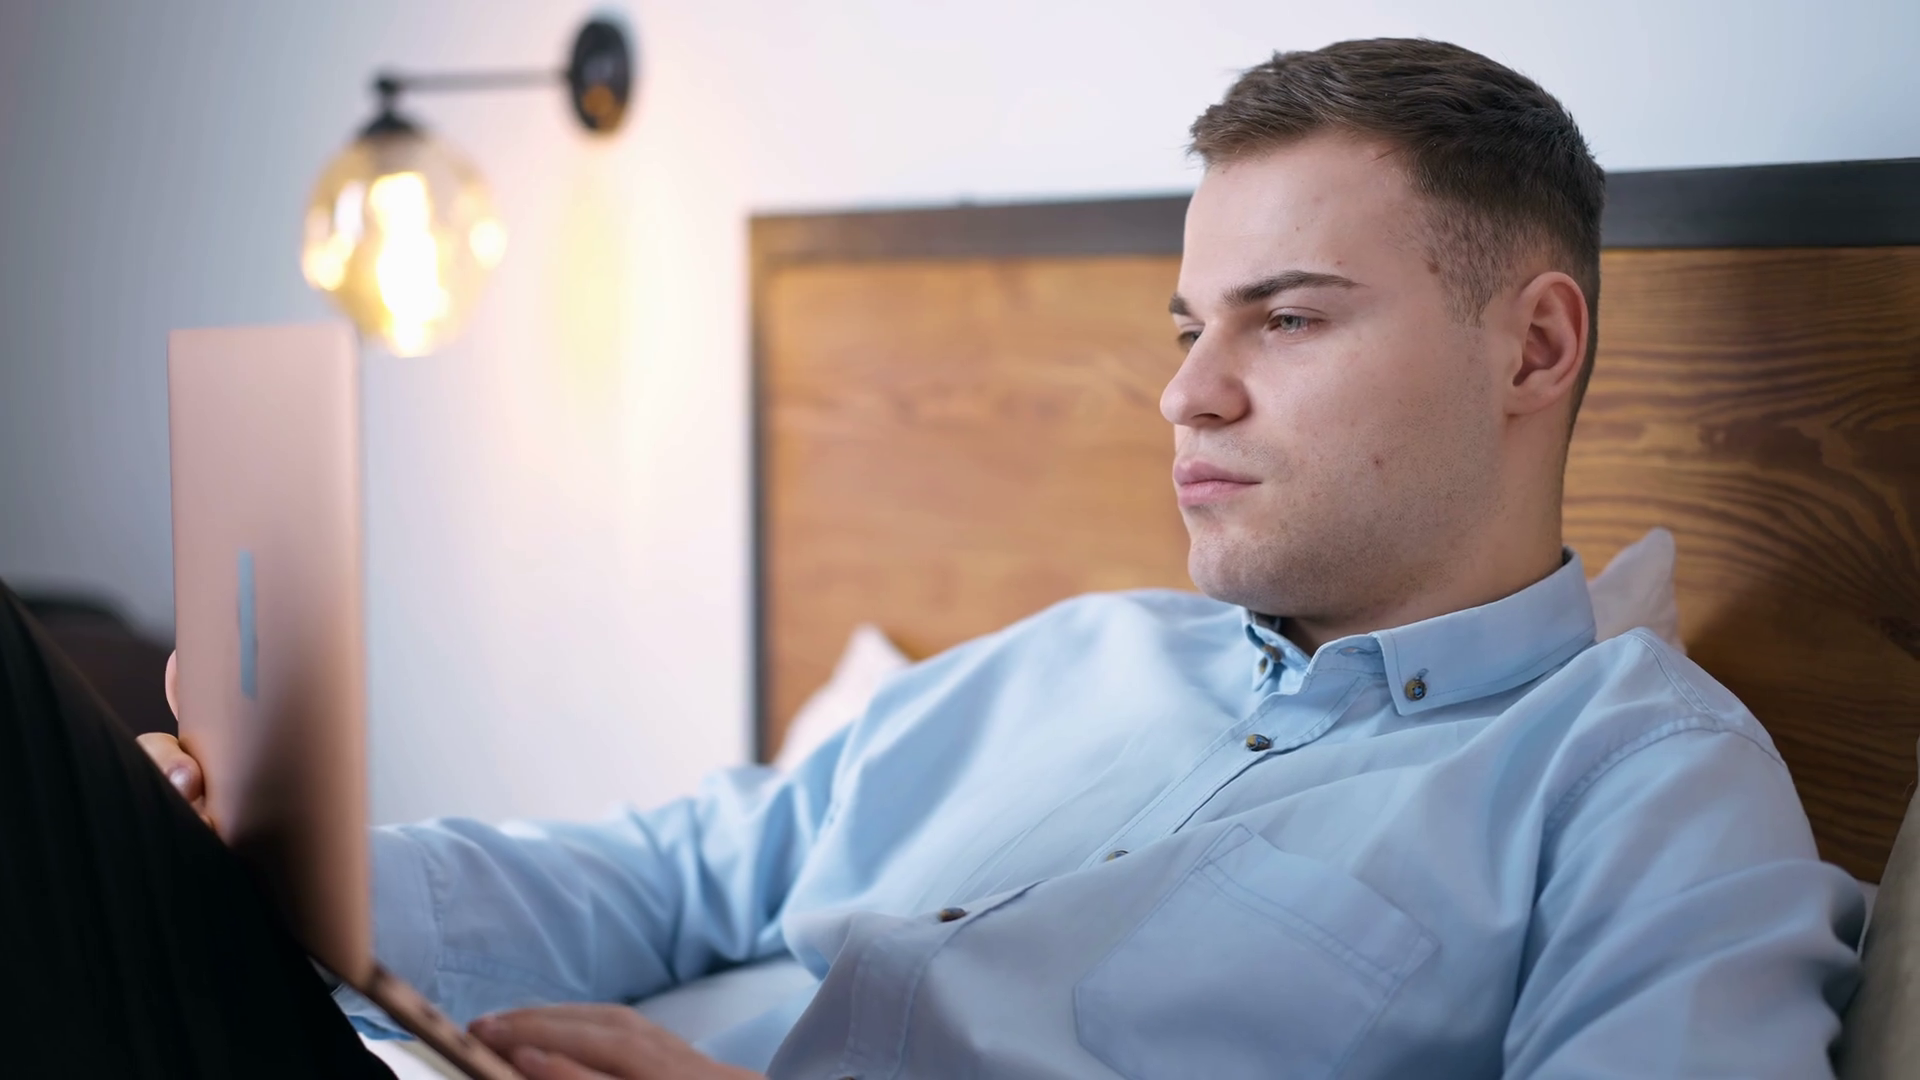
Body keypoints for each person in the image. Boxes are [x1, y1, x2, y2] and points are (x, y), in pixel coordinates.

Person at [10, 37, 1858, 1080]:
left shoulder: (1640, 788)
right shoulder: (1081, 658)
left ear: (1535, 350)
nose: (1187, 392)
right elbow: (678, 874)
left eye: (1286, 319)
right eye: (1189, 323)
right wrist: (297, 869)